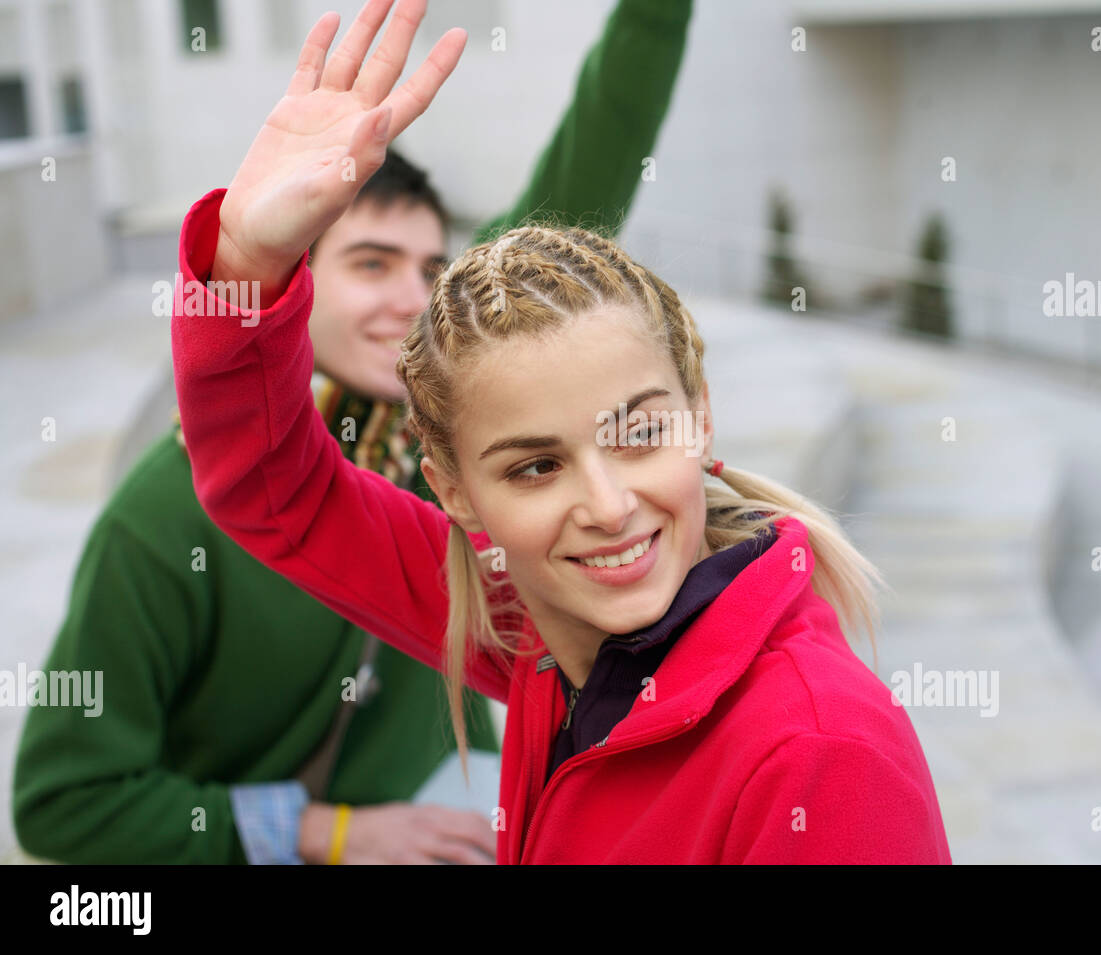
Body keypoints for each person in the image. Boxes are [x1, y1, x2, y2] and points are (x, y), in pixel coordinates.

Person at [173, 2, 951, 863]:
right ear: (456, 489)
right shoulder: (539, 621)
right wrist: (245, 257)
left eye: (638, 433)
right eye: (537, 466)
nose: (609, 505)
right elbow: (275, 489)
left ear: (700, 417)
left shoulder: (821, 760)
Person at [12, 0, 693, 864]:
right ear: (299, 268)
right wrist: (323, 833)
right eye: (371, 264)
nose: (412, 298)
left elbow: (600, 145)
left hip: (476, 817)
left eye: (431, 269)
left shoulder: (445, 431)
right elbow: (61, 802)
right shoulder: (160, 520)